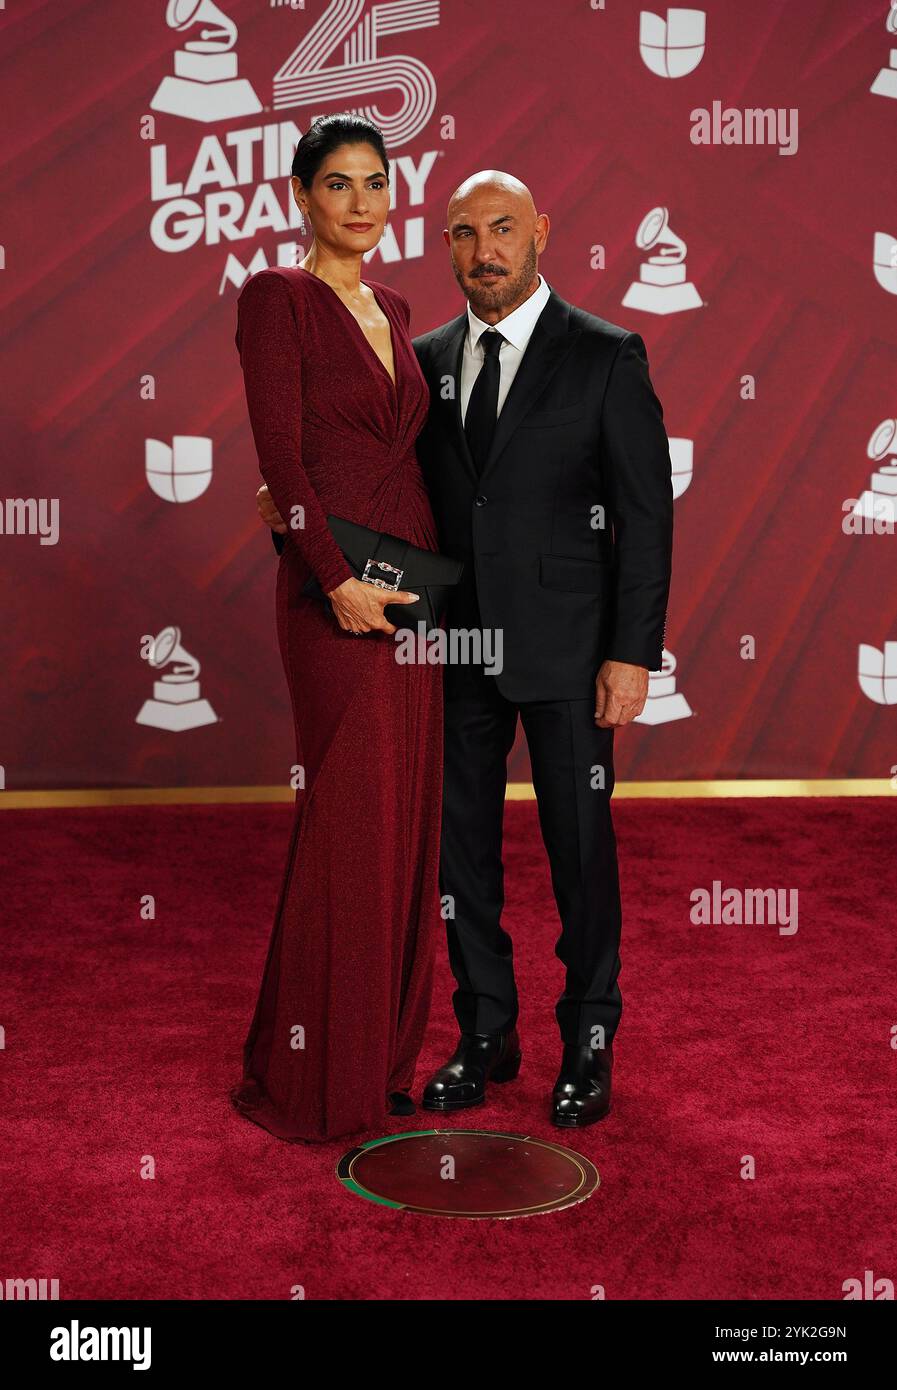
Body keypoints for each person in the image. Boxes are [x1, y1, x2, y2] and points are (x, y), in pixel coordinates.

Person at [260, 170, 674, 1128]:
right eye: (461, 234)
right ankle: (485, 1031)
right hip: (451, 648)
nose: (482, 251)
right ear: (443, 246)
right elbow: (381, 485)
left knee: (580, 852)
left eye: (500, 230)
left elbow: (644, 520)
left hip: (573, 657)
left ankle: (588, 1039)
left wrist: (632, 654)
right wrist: (296, 514)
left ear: (539, 232)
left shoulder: (606, 354)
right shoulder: (424, 361)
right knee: (462, 864)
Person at [231, 114, 443, 1142]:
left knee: (403, 823)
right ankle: (320, 1074)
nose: (362, 203)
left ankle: (385, 1058)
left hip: (414, 589)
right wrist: (332, 579)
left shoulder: (397, 306)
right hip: (335, 597)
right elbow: (283, 460)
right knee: (351, 821)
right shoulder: (277, 300)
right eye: (339, 186)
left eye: (376, 183)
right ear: (301, 197)